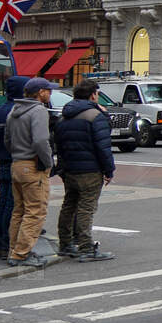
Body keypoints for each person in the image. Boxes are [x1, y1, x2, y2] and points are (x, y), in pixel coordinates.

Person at [54, 79, 116, 260]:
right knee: (86, 209)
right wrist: (108, 170)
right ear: (93, 95)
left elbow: (58, 143)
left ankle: (65, 243)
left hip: (70, 168)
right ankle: (86, 248)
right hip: (90, 170)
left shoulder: (64, 115)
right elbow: (103, 146)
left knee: (69, 206)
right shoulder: (95, 115)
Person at [7, 77, 57, 267]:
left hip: (17, 163)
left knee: (19, 210)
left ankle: (14, 250)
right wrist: (47, 161)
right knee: (35, 211)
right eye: (48, 90)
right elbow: (40, 141)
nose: (50, 93)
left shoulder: (14, 110)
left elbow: (7, 139)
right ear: (40, 92)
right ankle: (21, 253)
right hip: (33, 166)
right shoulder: (38, 111)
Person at [0, 75, 27, 261]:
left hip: (3, 159)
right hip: (15, 161)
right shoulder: (17, 111)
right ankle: (6, 244)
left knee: (3, 202)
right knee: (12, 205)